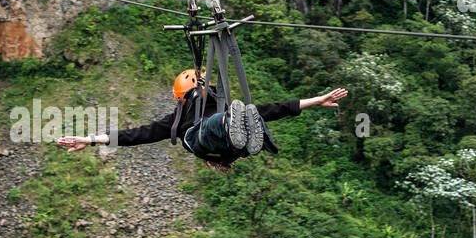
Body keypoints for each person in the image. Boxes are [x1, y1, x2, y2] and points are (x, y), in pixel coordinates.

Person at [56, 69, 347, 172]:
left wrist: (317, 100)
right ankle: (235, 130)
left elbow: (277, 108)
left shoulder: (219, 104)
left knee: (255, 112)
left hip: (227, 145)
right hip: (202, 139)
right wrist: (91, 139)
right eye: (198, 88)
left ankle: (245, 136)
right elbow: (137, 135)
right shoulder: (177, 119)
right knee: (215, 124)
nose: (203, 92)